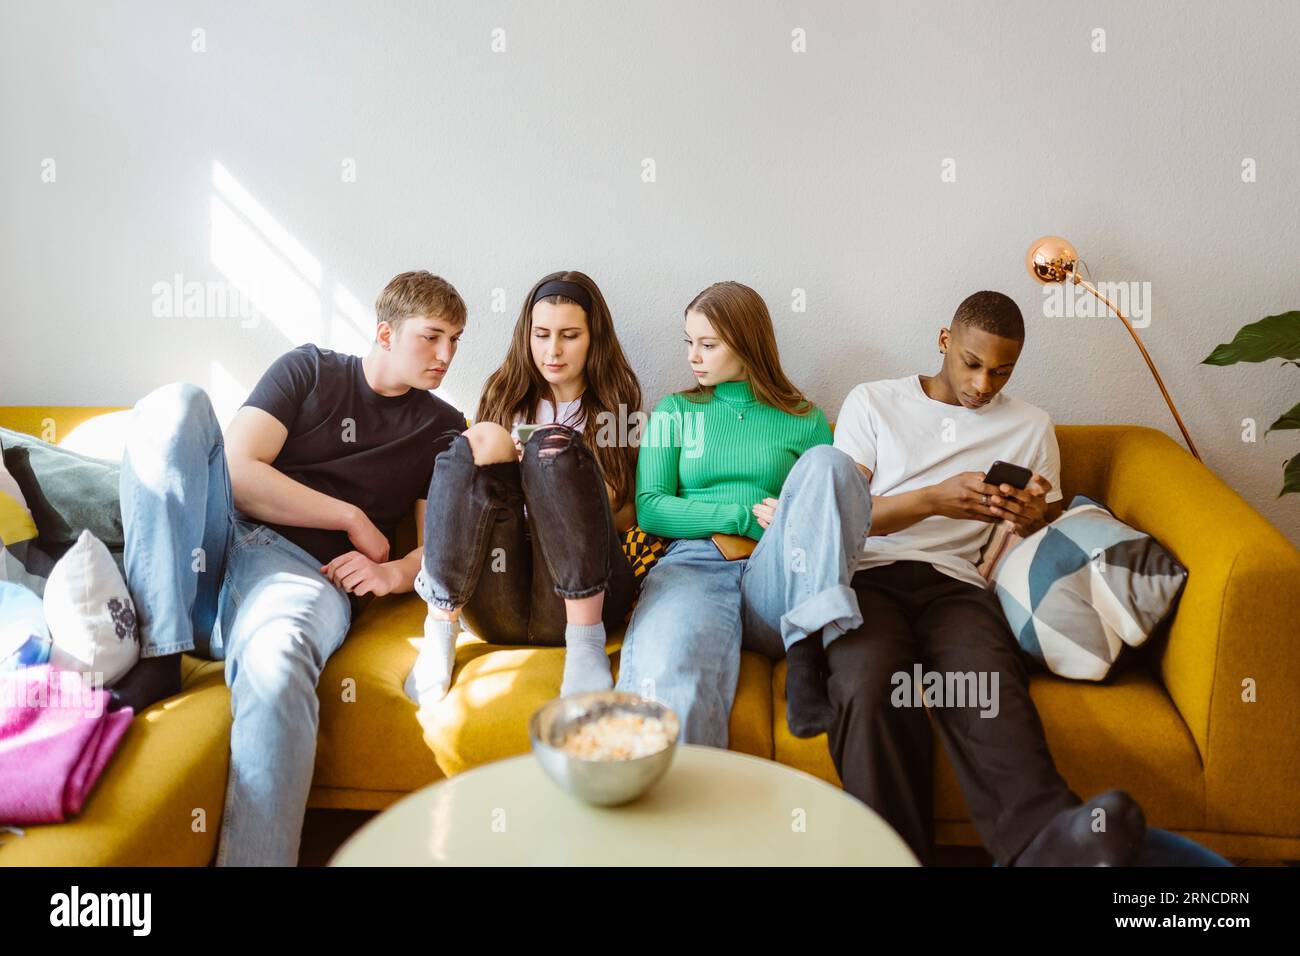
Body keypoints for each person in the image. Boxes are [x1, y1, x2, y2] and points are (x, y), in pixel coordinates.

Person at [114, 271, 469, 866]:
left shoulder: (440, 426)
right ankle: (159, 654)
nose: (446, 355)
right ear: (385, 332)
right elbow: (240, 472)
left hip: (302, 576)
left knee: (277, 662)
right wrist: (352, 515)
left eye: (455, 341)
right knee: (176, 402)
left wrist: (397, 572)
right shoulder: (309, 370)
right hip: (206, 548)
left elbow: (440, 543)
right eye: (432, 337)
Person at [824, 290, 1148, 866]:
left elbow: (1037, 528)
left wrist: (1032, 518)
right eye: (972, 364)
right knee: (866, 682)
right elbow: (840, 516)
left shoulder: (1031, 426)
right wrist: (931, 500)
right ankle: (888, 858)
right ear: (945, 341)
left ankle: (1048, 845)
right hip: (869, 573)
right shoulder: (873, 401)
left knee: (987, 680)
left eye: (1001, 372)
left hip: (959, 586)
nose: (982, 385)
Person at [613, 281, 872, 744]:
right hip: (695, 566)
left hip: (780, 575)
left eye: (708, 345)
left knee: (831, 464)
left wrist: (791, 514)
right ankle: (670, 804)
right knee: (671, 678)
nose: (694, 356)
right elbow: (650, 509)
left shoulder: (803, 416)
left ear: (748, 345)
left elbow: (825, 507)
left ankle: (808, 645)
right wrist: (741, 515)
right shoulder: (674, 412)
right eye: (689, 342)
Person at [406, 271, 642, 701]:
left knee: (552, 447)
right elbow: (471, 494)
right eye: (542, 334)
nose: (553, 350)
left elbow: (625, 517)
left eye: (569, 335)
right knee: (481, 438)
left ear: (594, 339)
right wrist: (508, 471)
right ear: (526, 335)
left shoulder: (615, 404)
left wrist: (548, 469)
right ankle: (439, 629)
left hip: (582, 593)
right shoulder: (505, 392)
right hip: (500, 592)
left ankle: (585, 646)